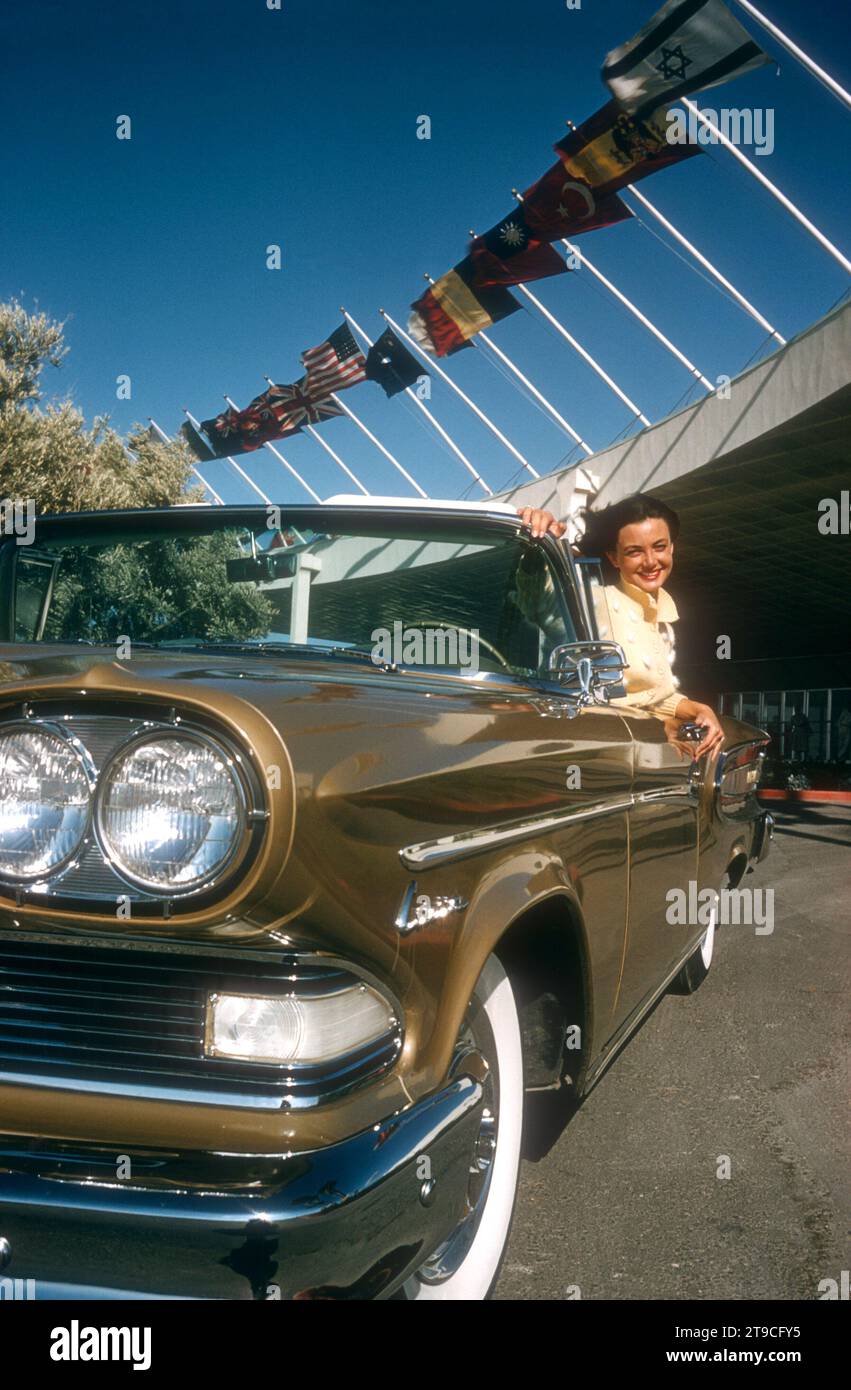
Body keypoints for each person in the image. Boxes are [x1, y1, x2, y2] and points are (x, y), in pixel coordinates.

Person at [516, 497, 724, 758]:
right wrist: (534, 540)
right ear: (614, 558)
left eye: (659, 547)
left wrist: (697, 709)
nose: (651, 562)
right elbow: (537, 598)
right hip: (579, 750)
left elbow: (648, 696)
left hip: (629, 755)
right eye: (634, 551)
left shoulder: (663, 620)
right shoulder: (594, 598)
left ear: (672, 548)